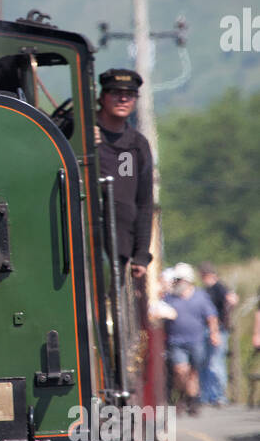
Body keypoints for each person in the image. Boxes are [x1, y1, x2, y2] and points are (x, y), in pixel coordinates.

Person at [96, 69, 153, 283]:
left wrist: (141, 254)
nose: (122, 98)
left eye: (129, 94)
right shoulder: (80, 133)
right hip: (82, 241)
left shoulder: (137, 145)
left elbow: (144, 203)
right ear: (102, 97)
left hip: (120, 245)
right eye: (115, 92)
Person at [164, 263, 219, 415]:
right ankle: (182, 396)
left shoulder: (200, 296)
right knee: (180, 370)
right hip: (176, 341)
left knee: (193, 372)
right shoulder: (170, 297)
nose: (177, 283)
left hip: (196, 340)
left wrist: (214, 333)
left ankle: (192, 399)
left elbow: (211, 316)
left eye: (179, 280)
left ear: (188, 280)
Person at [198, 263, 238, 405]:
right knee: (208, 362)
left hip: (218, 328)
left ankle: (218, 394)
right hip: (211, 328)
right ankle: (209, 394)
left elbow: (231, 300)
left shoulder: (219, 288)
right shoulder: (209, 289)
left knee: (215, 362)